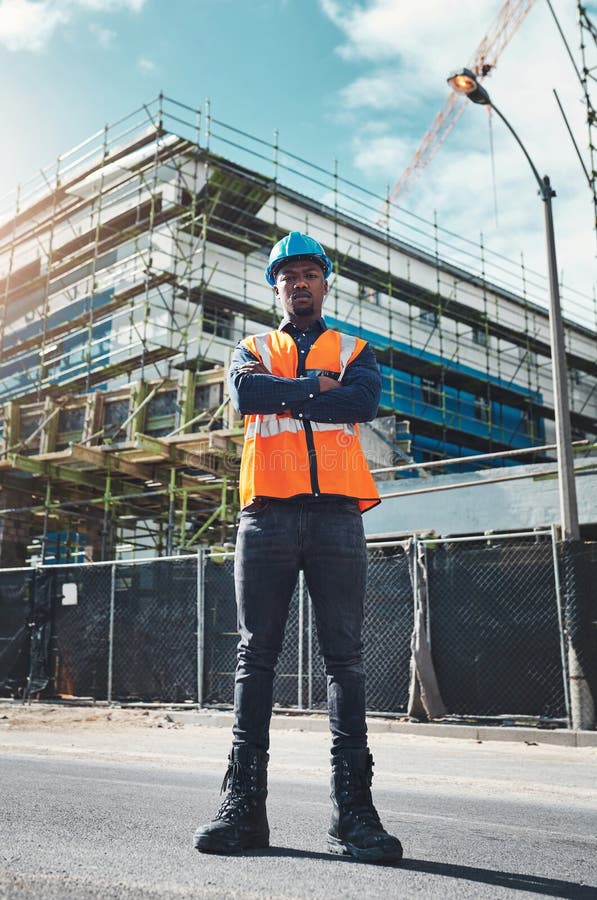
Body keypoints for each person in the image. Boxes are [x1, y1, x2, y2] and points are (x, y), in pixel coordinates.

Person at [194, 232, 402, 864]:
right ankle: (244, 809)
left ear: (325, 283)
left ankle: (354, 812)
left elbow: (362, 401)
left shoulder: (355, 349)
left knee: (346, 660)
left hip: (338, 515)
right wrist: (316, 389)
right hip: (267, 517)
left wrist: (292, 387)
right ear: (276, 288)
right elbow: (245, 396)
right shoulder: (250, 348)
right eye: (290, 276)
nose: (301, 283)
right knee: (255, 658)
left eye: (311, 274)